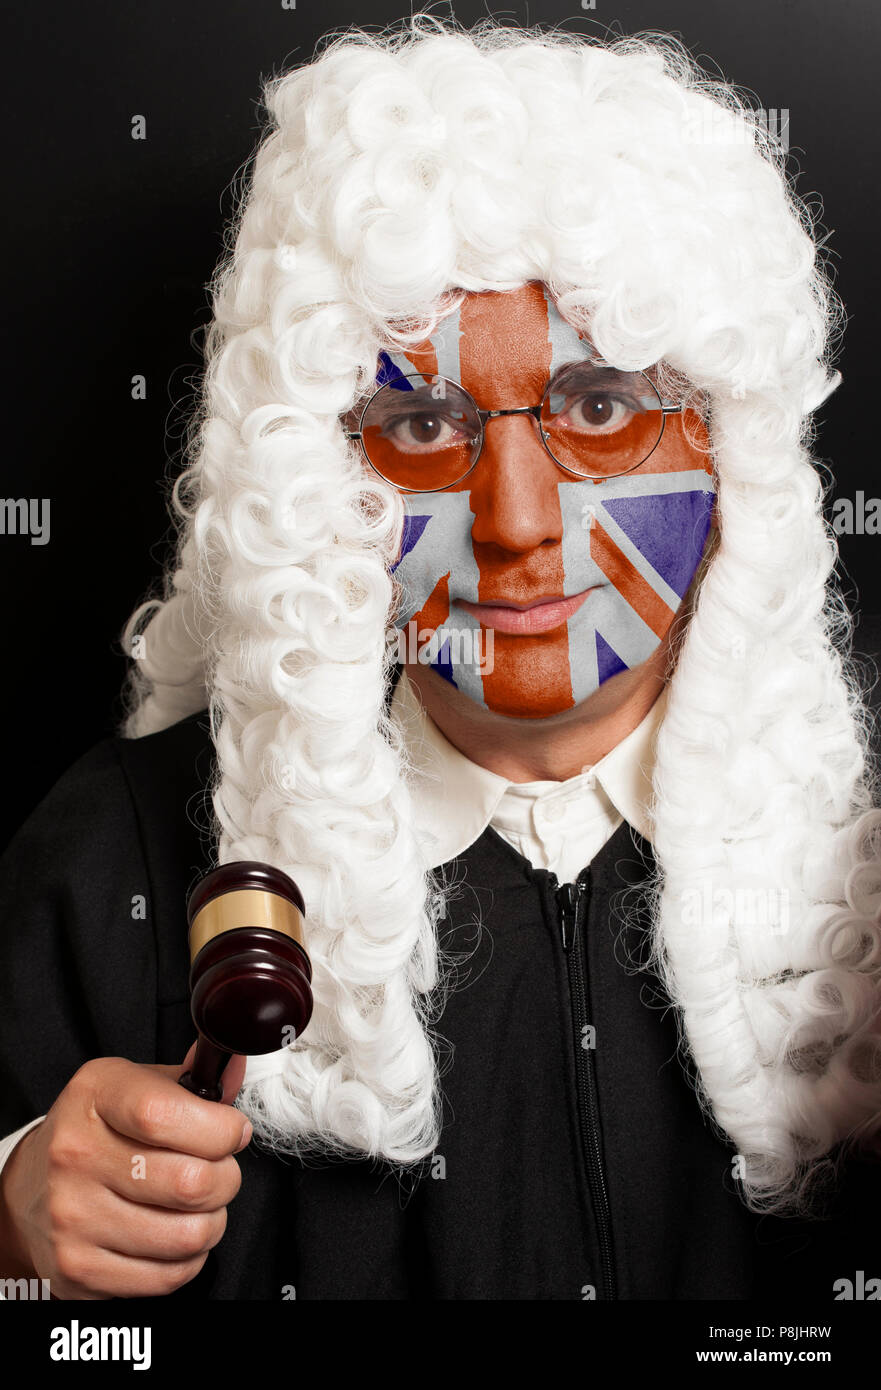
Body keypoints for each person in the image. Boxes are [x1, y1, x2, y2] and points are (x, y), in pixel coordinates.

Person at [1, 16, 879, 1301]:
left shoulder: (868, 859)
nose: (515, 522)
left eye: (598, 409)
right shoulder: (111, 863)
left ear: (726, 446)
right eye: (419, 422)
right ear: (312, 473)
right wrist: (16, 1235)